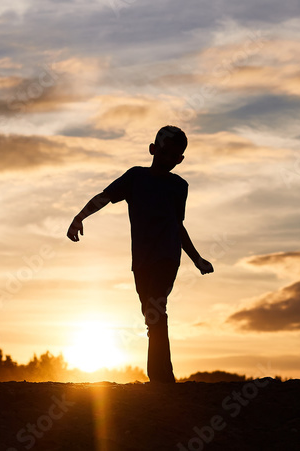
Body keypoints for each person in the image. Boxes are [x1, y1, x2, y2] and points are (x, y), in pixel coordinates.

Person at [67, 125, 213, 383]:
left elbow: (177, 226)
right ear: (153, 150)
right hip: (142, 260)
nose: (168, 160)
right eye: (164, 154)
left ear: (180, 159)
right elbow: (105, 196)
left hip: (167, 257)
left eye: (174, 157)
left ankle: (162, 378)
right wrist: (80, 217)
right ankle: (159, 378)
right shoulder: (135, 178)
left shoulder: (179, 186)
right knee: (149, 314)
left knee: (157, 308)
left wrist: (196, 258)